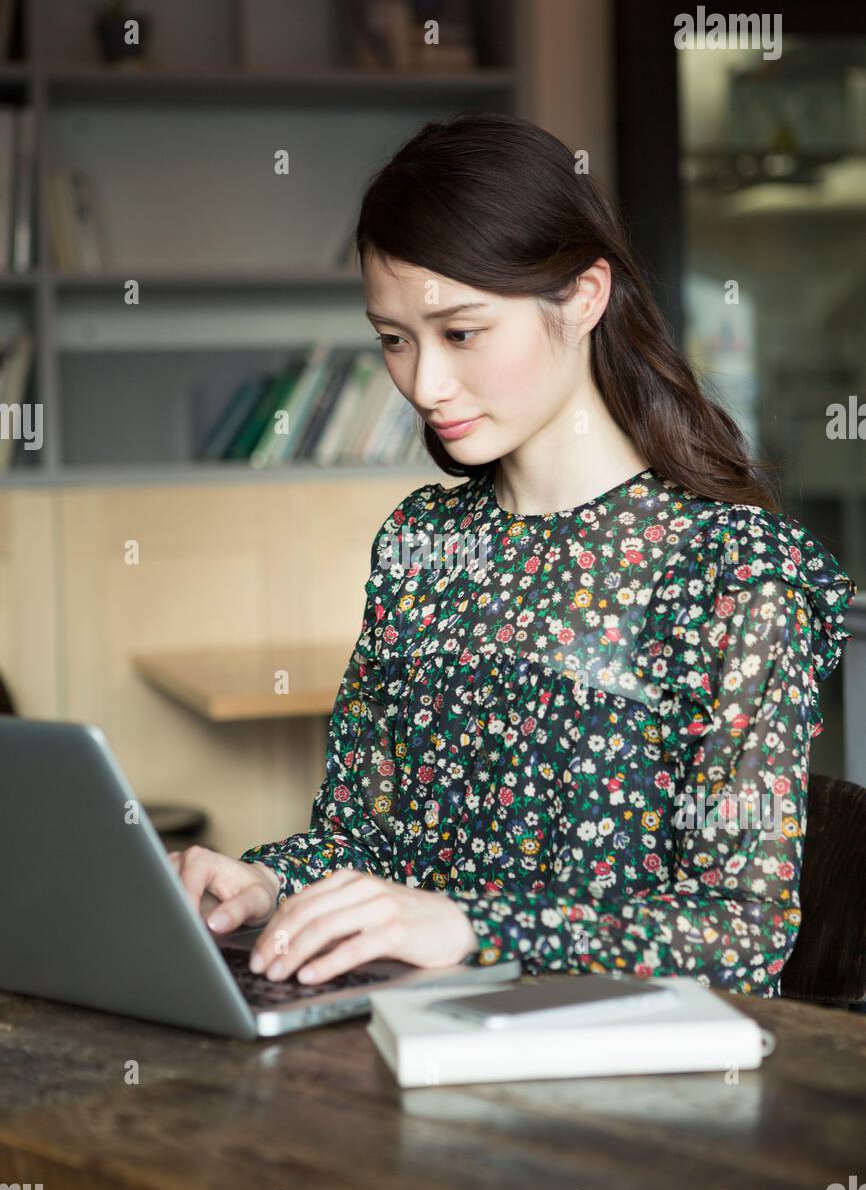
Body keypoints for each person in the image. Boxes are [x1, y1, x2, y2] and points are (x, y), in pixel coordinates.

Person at [171, 111, 858, 999]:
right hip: (409, 1028)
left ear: (582, 297)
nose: (424, 384)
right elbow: (365, 841)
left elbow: (740, 932)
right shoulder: (423, 541)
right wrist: (269, 883)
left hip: (623, 1073)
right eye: (393, 339)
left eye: (461, 333)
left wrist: (469, 927)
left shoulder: (738, 571)